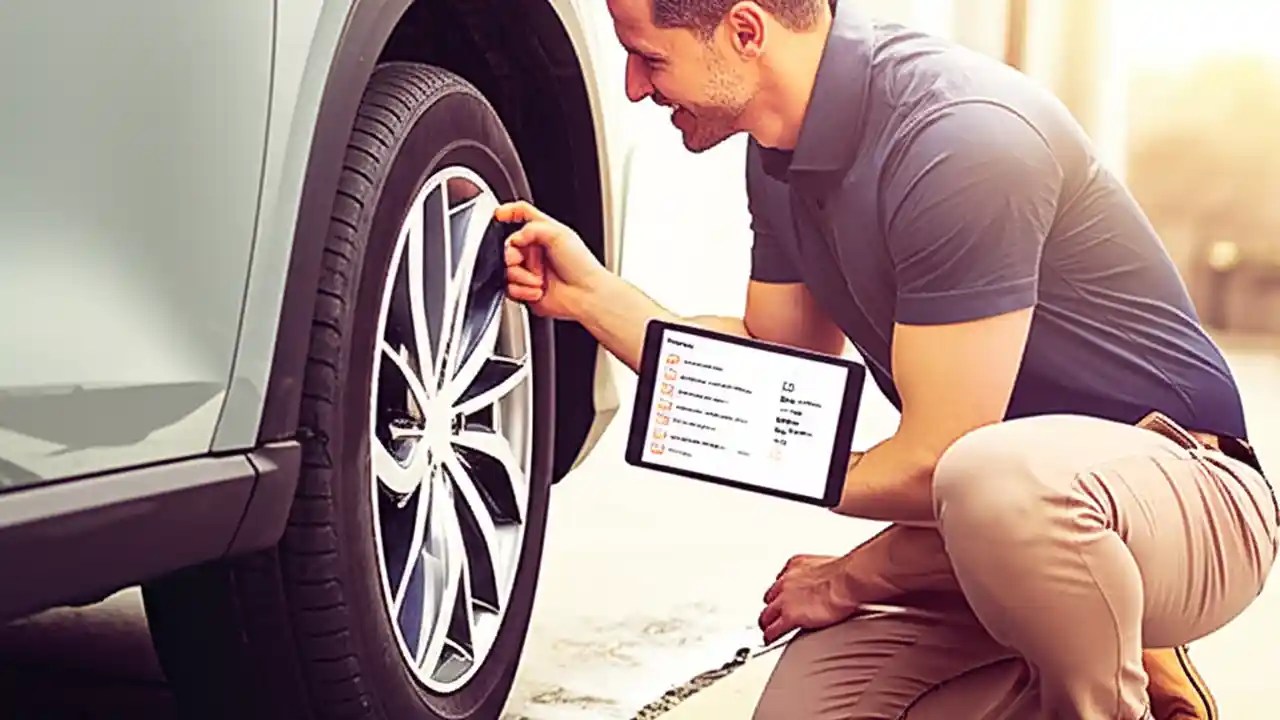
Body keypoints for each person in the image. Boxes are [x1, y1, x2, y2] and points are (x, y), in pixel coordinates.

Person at [495, 0, 1278, 717]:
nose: (632, 87)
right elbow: (777, 359)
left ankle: (1109, 673)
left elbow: (934, 462)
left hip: (1185, 501)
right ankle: (1079, 641)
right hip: (986, 529)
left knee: (994, 483)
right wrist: (594, 297)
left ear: (744, 30)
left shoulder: (963, 140)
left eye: (649, 58)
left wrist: (851, 572)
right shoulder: (777, 154)